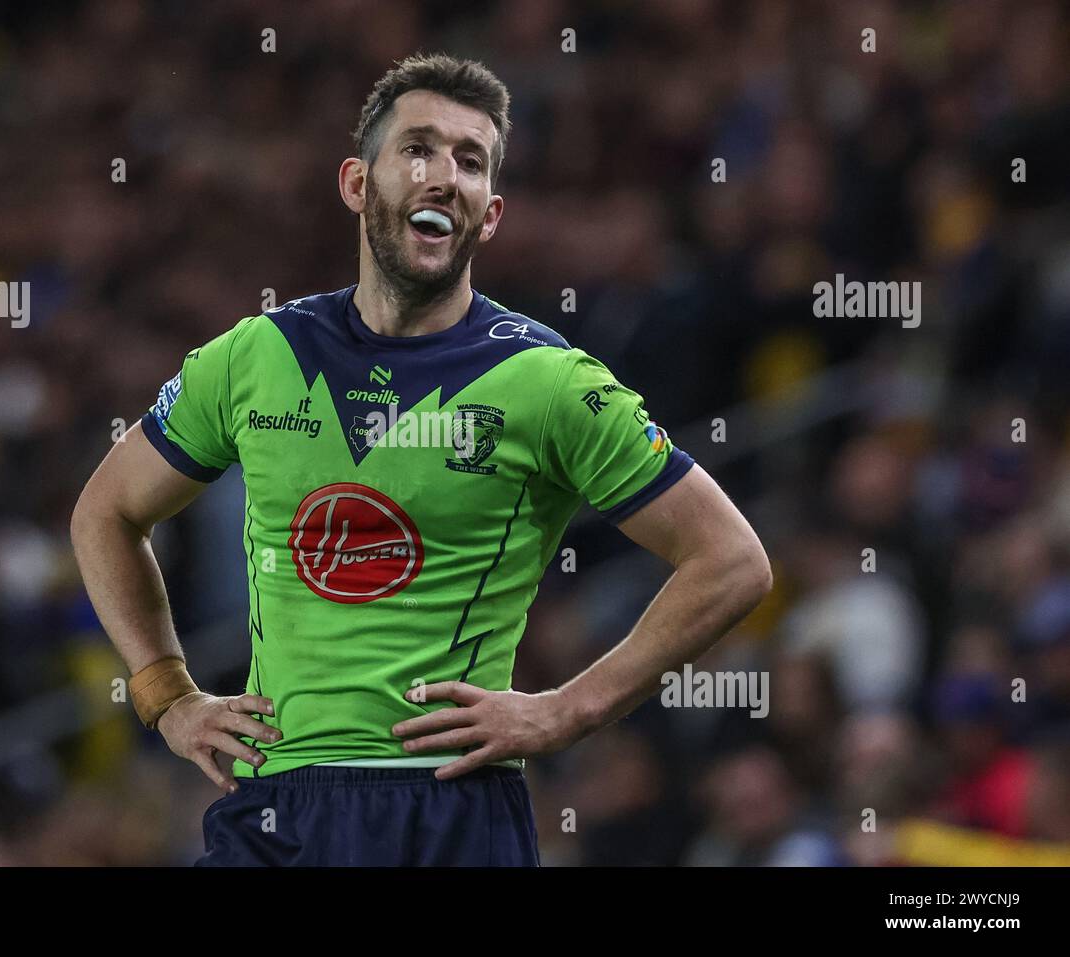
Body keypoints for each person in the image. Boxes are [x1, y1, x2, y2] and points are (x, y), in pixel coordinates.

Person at [70, 53, 772, 866]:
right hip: (274, 806)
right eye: (418, 150)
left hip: (449, 809)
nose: (444, 176)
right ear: (356, 184)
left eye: (470, 162)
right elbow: (106, 511)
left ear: (492, 213)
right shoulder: (254, 355)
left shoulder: (544, 381)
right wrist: (168, 695)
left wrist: (565, 711)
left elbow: (732, 561)